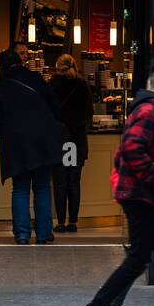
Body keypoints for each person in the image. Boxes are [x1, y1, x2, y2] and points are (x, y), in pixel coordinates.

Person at [71, 59, 154, 306]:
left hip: (149, 197)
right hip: (142, 196)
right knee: (140, 257)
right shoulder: (150, 111)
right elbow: (132, 149)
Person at [0, 48, 63, 244]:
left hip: (16, 144)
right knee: (42, 187)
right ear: (21, 61)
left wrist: (7, 128)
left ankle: (22, 234)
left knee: (20, 188)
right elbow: (55, 108)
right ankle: (44, 233)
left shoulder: (0, 86)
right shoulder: (37, 79)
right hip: (42, 142)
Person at [50, 54, 93, 233]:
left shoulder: (52, 85)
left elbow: (47, 112)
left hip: (59, 139)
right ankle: (73, 221)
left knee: (60, 183)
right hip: (76, 139)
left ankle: (60, 221)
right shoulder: (82, 86)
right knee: (74, 182)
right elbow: (89, 112)